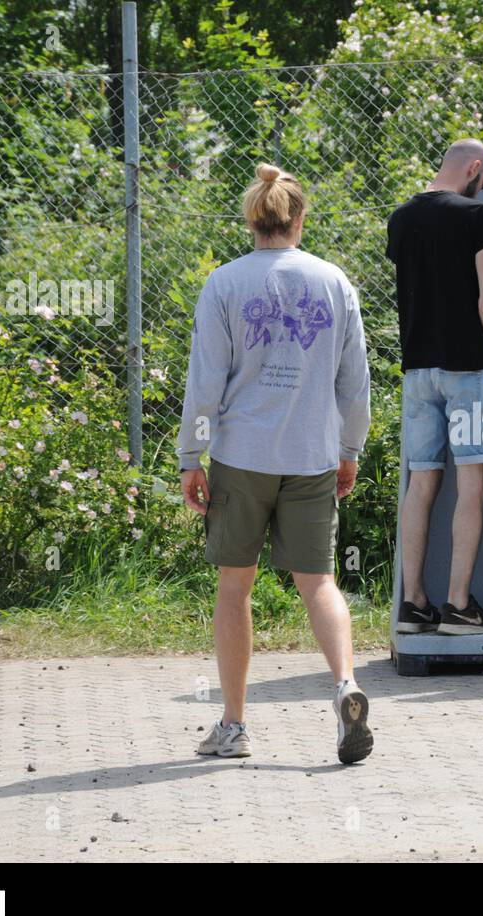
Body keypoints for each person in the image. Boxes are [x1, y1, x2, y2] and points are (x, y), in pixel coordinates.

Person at [177, 163, 374, 764]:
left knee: (235, 587)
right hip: (313, 454)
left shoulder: (225, 284)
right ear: (300, 218)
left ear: (253, 218)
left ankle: (234, 727)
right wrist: (349, 450)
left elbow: (205, 384)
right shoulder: (334, 281)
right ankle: (346, 685)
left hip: (242, 455)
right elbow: (355, 384)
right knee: (318, 582)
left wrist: (192, 455)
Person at [386, 139, 483, 636]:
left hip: (418, 371)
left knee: (422, 483)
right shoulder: (477, 217)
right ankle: (459, 604)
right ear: (476, 169)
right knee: (472, 484)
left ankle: (413, 602)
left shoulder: (400, 219)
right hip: (468, 368)